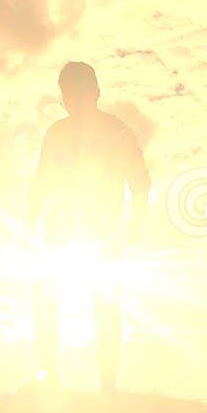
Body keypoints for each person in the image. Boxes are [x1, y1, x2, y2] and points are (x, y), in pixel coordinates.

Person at [27, 61, 150, 392]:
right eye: (68, 94)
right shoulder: (57, 133)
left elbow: (140, 182)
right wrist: (31, 221)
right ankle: (48, 377)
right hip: (61, 232)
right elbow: (42, 182)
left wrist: (135, 222)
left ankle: (107, 387)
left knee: (105, 305)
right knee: (47, 300)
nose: (73, 100)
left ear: (95, 92)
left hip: (103, 233)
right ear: (63, 98)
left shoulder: (117, 131)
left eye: (78, 92)